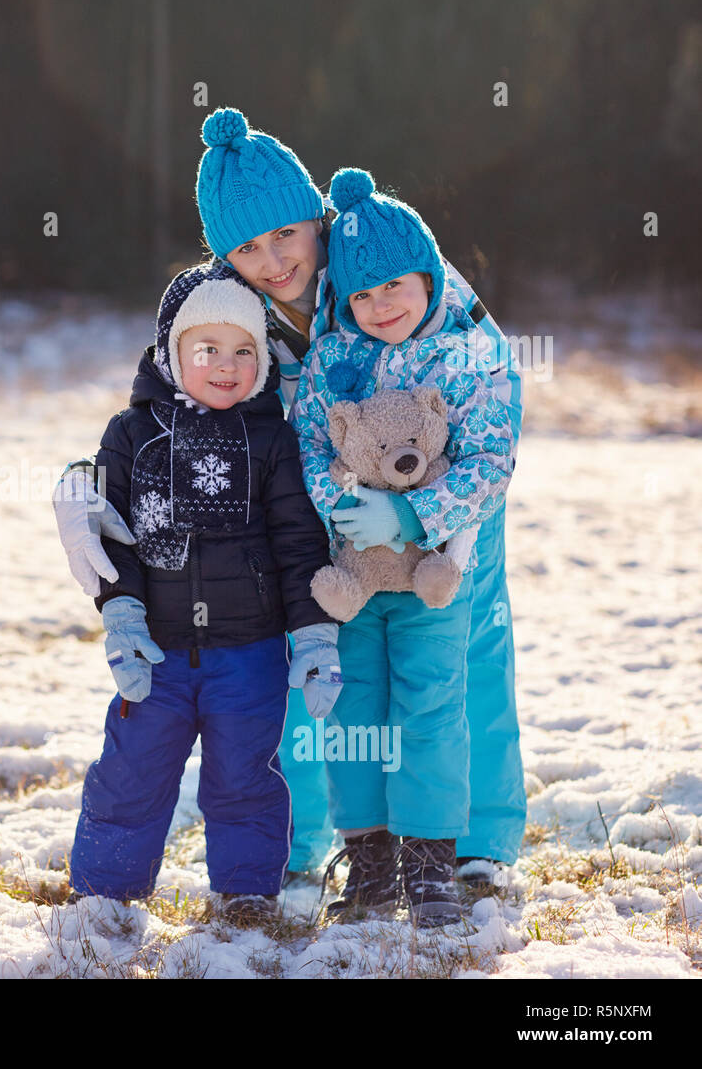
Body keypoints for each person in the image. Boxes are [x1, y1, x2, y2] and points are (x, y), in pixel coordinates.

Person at [54, 107, 525, 885]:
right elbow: (162, 400)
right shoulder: (229, 307)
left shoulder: (384, 252)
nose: (272, 261)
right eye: (246, 246)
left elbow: (486, 368)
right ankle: (312, 844)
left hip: (446, 490)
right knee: (314, 660)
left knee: (460, 652)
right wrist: (83, 481)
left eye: (286, 235)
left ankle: (477, 844)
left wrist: (441, 516)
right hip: (315, 500)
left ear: (315, 217)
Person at [67, 262, 342, 922]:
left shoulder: (272, 440)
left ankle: (246, 894)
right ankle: (106, 892)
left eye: (244, 350)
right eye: (207, 349)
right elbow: (112, 535)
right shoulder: (131, 435)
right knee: (131, 769)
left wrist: (313, 633)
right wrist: (123, 616)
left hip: (248, 653)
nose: (227, 365)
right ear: (172, 352)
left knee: (245, 776)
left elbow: (298, 541)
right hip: (155, 652)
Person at [290, 166, 515, 926]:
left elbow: (491, 461)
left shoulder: (469, 355)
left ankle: (430, 858)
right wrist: (348, 508)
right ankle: (370, 859)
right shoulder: (331, 359)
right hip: (353, 578)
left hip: (428, 578)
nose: (378, 306)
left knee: (431, 708)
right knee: (355, 712)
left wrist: (412, 517)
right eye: (360, 294)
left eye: (393, 286)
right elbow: (310, 452)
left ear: (428, 274)